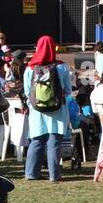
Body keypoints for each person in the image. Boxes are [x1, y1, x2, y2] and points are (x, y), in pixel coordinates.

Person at [21, 36, 73, 183]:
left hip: (37, 110)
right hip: (57, 109)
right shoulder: (61, 67)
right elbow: (68, 90)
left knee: (36, 141)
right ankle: (54, 174)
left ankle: (31, 172)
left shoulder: (30, 68)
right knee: (54, 141)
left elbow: (26, 91)